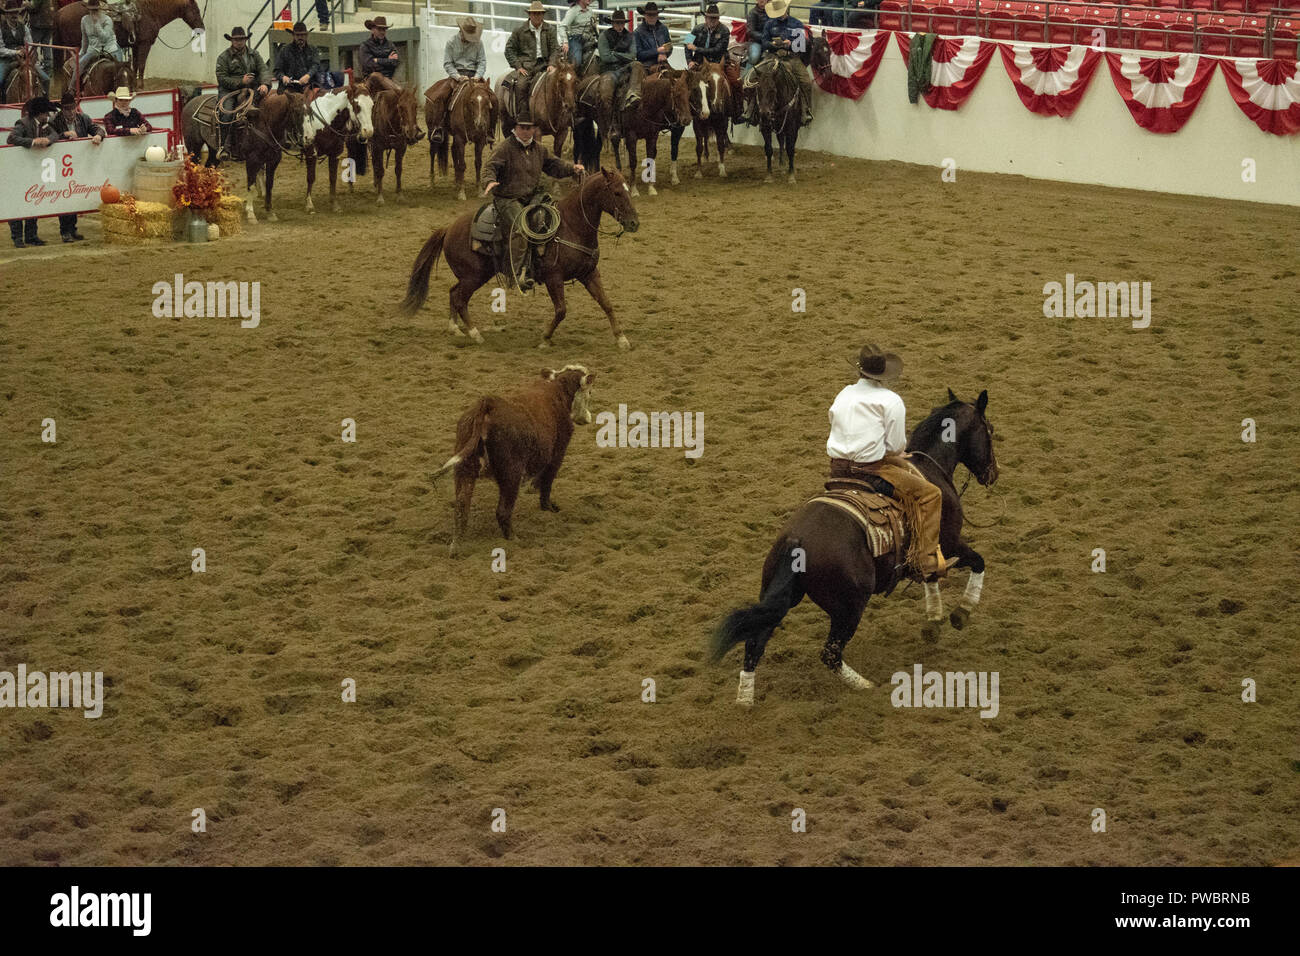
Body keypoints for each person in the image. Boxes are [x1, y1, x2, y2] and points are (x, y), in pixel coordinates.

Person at [826, 345, 950, 580]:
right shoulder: (890, 401)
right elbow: (896, 447)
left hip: (838, 468)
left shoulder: (844, 393)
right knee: (931, 495)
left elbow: (833, 420)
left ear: (859, 371)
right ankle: (926, 562)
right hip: (872, 471)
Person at [481, 108, 584, 291]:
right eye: (523, 127)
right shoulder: (504, 148)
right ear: (516, 128)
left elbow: (554, 165)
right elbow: (490, 167)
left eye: (530, 128)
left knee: (553, 218)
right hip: (508, 199)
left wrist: (572, 169)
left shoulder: (539, 149)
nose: (527, 131)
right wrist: (489, 181)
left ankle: (543, 264)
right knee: (520, 229)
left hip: (533, 197)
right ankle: (517, 272)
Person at [50, 89, 104, 242]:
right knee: (64, 196)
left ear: (75, 107)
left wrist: (99, 135)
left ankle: (71, 229)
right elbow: (49, 137)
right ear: (62, 109)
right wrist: (63, 136)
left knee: (73, 195)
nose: (70, 112)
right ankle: (65, 231)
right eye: (67, 109)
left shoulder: (83, 118)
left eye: (72, 108)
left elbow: (97, 129)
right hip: (61, 163)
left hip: (77, 162)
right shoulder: (54, 121)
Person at [6, 95, 57, 248]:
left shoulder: (44, 125)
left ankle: (31, 236)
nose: (48, 115)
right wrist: (33, 142)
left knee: (33, 201)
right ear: (39, 113)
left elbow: (54, 134)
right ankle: (17, 238)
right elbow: (11, 139)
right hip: (19, 170)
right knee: (18, 203)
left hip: (32, 168)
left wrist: (48, 140)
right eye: (46, 113)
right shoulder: (22, 123)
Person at [427, 16, 486, 146]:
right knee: (441, 96)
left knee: (490, 97)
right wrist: (458, 76)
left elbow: (482, 62)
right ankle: (439, 127)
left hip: (474, 76)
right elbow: (448, 63)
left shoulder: (479, 43)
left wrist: (477, 75)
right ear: (461, 31)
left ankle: (490, 130)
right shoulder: (451, 42)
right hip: (456, 75)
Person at [215, 25, 270, 160]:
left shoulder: (254, 54)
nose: (239, 42)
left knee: (268, 108)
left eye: (241, 39)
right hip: (229, 91)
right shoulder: (223, 57)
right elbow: (222, 78)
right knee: (227, 113)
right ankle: (224, 147)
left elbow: (263, 69)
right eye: (236, 39)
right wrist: (241, 81)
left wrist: (265, 83)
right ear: (231, 40)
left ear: (245, 40)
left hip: (251, 89)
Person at [761, 0, 813, 126]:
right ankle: (753, 110)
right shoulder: (769, 24)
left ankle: (806, 110)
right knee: (757, 78)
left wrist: (790, 44)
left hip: (792, 57)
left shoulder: (796, 24)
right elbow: (764, 42)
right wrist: (772, 44)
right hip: (773, 56)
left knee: (806, 82)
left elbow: (801, 46)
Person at [504, 1, 559, 113]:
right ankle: (523, 113)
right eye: (534, 13)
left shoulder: (550, 30)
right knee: (521, 85)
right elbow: (509, 50)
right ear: (529, 15)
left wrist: (552, 64)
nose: (537, 16)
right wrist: (518, 66)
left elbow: (555, 49)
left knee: (562, 83)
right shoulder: (519, 31)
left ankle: (561, 114)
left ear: (543, 15)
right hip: (527, 66)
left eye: (540, 14)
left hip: (545, 65)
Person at [1, 0, 47, 93]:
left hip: (24, 59)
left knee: (46, 79)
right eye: (11, 13)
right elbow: (0, 49)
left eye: (16, 12)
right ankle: (3, 103)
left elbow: (29, 43)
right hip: (6, 59)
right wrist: (16, 52)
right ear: (6, 15)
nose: (14, 15)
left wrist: (27, 51)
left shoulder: (24, 27)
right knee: (0, 79)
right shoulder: (1, 29)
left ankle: (45, 102)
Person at [77, 0, 124, 79]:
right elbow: (85, 39)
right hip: (94, 50)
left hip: (110, 49)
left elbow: (105, 38)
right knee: (79, 65)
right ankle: (73, 88)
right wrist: (82, 53)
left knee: (120, 69)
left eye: (95, 10)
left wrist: (97, 24)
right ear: (88, 10)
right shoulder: (84, 20)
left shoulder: (107, 19)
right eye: (91, 10)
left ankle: (126, 87)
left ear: (99, 9)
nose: (93, 12)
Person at [274, 21, 320, 94]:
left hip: (310, 85)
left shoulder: (313, 49)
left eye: (302, 35)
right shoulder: (285, 50)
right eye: (298, 35)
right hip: (289, 87)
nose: (300, 37)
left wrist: (308, 75)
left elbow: (316, 65)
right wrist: (283, 77)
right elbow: (277, 70)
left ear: (306, 36)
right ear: (293, 36)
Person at [359, 15, 399, 82]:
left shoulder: (390, 44)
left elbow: (395, 62)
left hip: (389, 78)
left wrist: (377, 60)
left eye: (384, 29)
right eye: (379, 29)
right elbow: (368, 65)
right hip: (370, 81)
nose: (382, 32)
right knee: (376, 75)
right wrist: (388, 61)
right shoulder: (365, 45)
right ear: (372, 30)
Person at [560, 0, 597, 70]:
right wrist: (565, 42)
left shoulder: (590, 11)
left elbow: (593, 27)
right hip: (575, 39)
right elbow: (562, 26)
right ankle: (575, 77)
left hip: (589, 38)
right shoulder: (573, 11)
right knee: (576, 62)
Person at [633, 2, 671, 70]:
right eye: (649, 15)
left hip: (663, 62)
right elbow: (639, 54)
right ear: (645, 15)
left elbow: (670, 47)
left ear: (657, 15)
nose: (652, 17)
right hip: (646, 66)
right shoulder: (637, 32)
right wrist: (657, 51)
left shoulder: (663, 29)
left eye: (654, 15)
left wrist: (665, 54)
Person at [23, 0, 52, 76]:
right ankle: (48, 69)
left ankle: (35, 67)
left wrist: (26, 4)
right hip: (48, 23)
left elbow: (33, 8)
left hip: (38, 24)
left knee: (33, 47)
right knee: (46, 46)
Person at [744, 0, 768, 74]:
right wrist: (764, 37)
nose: (762, 1)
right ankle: (745, 78)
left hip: (770, 41)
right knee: (754, 57)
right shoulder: (753, 13)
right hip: (756, 41)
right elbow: (750, 31)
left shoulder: (772, 12)